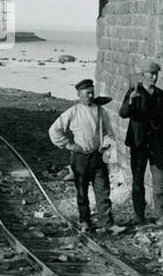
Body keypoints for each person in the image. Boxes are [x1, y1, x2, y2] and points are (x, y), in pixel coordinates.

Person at [48, 78, 116, 232]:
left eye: (92, 93)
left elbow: (110, 133)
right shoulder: (73, 112)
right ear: (79, 95)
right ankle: (85, 222)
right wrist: (69, 144)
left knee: (103, 192)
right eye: (87, 94)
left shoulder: (100, 111)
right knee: (82, 193)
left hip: (98, 157)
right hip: (80, 159)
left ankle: (109, 224)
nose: (90, 96)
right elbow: (54, 130)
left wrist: (108, 153)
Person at [119, 60, 163, 225]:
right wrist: (130, 101)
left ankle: (161, 213)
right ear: (143, 75)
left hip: (156, 143)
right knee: (138, 180)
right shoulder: (134, 91)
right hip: (138, 143)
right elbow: (123, 113)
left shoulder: (160, 94)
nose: (154, 77)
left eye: (156, 74)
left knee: (160, 180)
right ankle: (139, 215)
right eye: (151, 74)